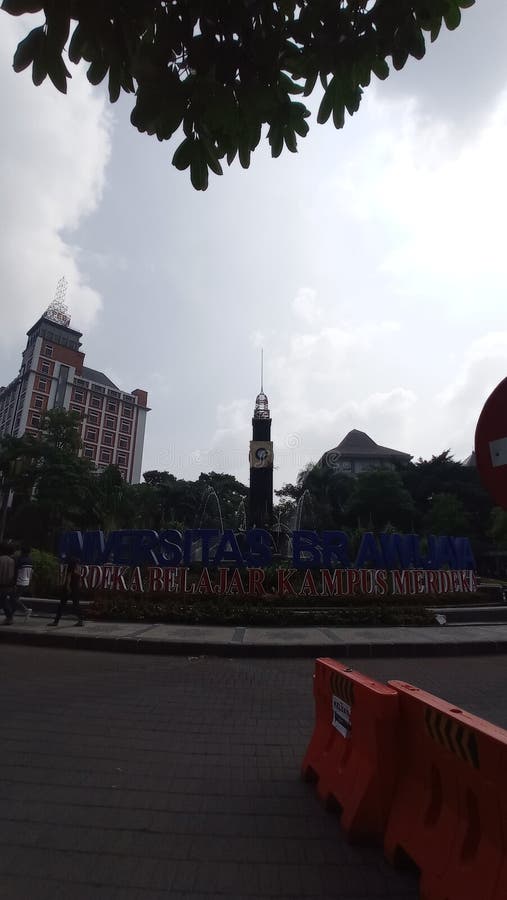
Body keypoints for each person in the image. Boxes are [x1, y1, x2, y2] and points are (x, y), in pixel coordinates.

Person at [48, 556, 84, 626]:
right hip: (75, 588)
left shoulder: (71, 567)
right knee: (76, 604)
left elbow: (69, 577)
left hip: (70, 588)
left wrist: (67, 587)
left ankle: (56, 621)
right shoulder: (78, 569)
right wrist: (79, 586)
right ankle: (80, 620)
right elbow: (79, 579)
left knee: (62, 605)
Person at [9, 544, 33, 620]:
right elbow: (31, 572)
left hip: (19, 582)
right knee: (15, 599)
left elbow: (16, 572)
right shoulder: (30, 560)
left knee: (14, 599)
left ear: (22, 551)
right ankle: (10, 616)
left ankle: (25, 610)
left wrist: (14, 582)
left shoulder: (20, 559)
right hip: (26, 582)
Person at [0, 543, 16, 625]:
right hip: (9, 586)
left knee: (3, 601)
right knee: (3, 601)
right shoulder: (12, 560)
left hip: (1, 585)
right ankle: (9, 617)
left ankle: (9, 617)